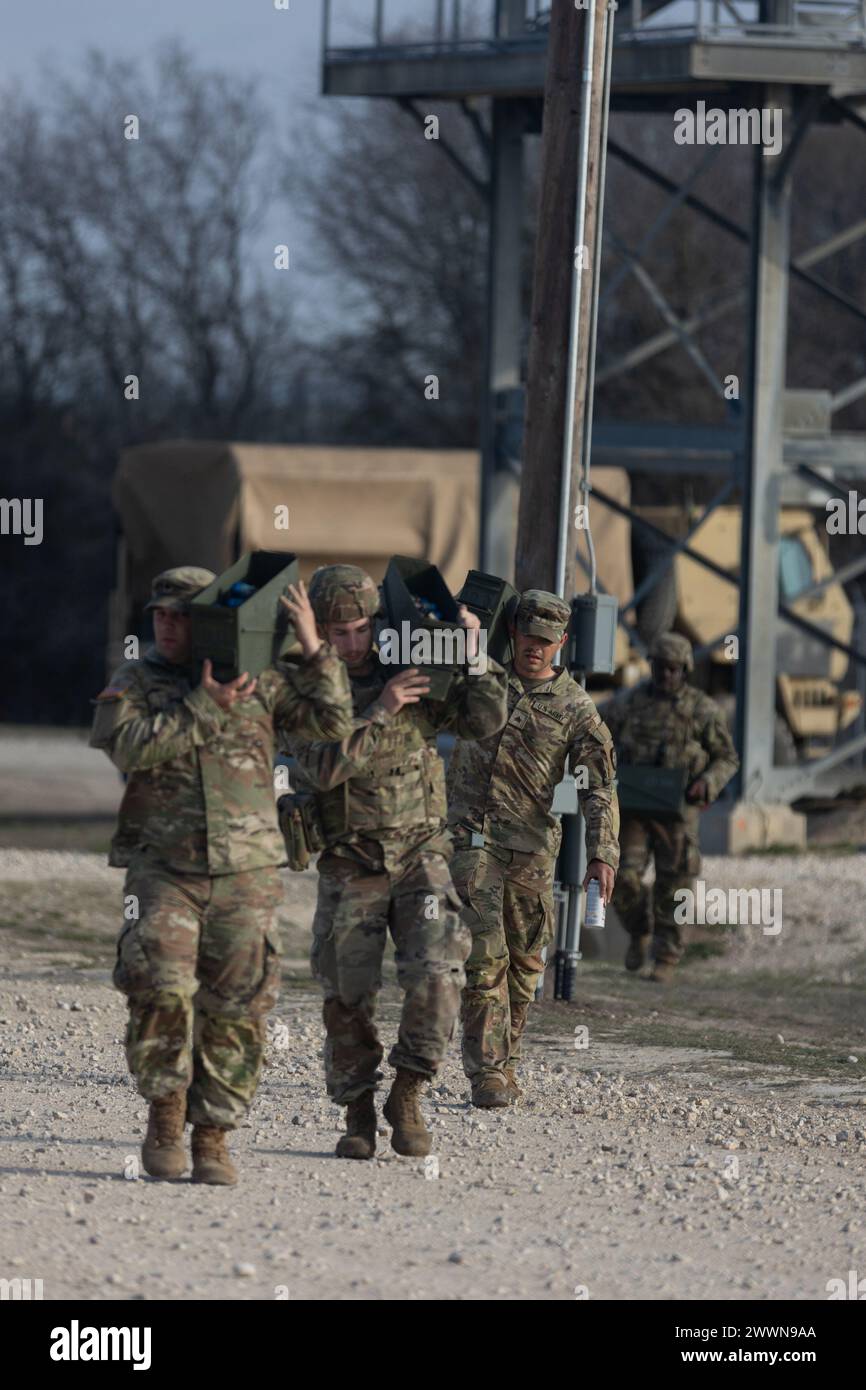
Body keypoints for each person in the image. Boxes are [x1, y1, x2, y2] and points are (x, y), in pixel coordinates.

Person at [89, 566, 353, 1184]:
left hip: (247, 872)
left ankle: (212, 1137)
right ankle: (165, 1115)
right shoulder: (139, 678)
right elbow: (127, 748)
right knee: (159, 988)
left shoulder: (261, 677)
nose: (168, 625)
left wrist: (313, 646)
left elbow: (333, 722)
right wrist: (205, 706)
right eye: (159, 615)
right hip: (165, 868)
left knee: (237, 1006)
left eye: (182, 616)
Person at [282, 564, 508, 1160]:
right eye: (338, 634)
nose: (353, 644)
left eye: (360, 630)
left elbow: (485, 721)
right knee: (347, 993)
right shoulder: (306, 689)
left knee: (438, 974)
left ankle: (408, 1091)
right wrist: (380, 708)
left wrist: (471, 652)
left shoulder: (412, 668)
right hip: (349, 861)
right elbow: (323, 768)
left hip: (419, 856)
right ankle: (358, 1110)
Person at [446, 589, 620, 1108]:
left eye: (547, 641)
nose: (535, 649)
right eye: (528, 637)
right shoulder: (480, 678)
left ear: (562, 642)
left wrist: (601, 852)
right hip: (472, 840)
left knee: (524, 968)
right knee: (483, 959)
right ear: (513, 633)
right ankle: (488, 1074)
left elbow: (598, 785)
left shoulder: (574, 708)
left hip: (532, 850)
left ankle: (508, 1061)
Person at [602, 631, 740, 983]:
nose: (666, 676)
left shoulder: (701, 710)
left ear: (685, 670)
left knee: (675, 885)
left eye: (674, 669)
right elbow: (599, 733)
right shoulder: (629, 703)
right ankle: (640, 929)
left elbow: (727, 758)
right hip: (634, 810)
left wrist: (707, 783)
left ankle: (665, 955)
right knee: (621, 879)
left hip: (679, 812)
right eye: (661, 668)